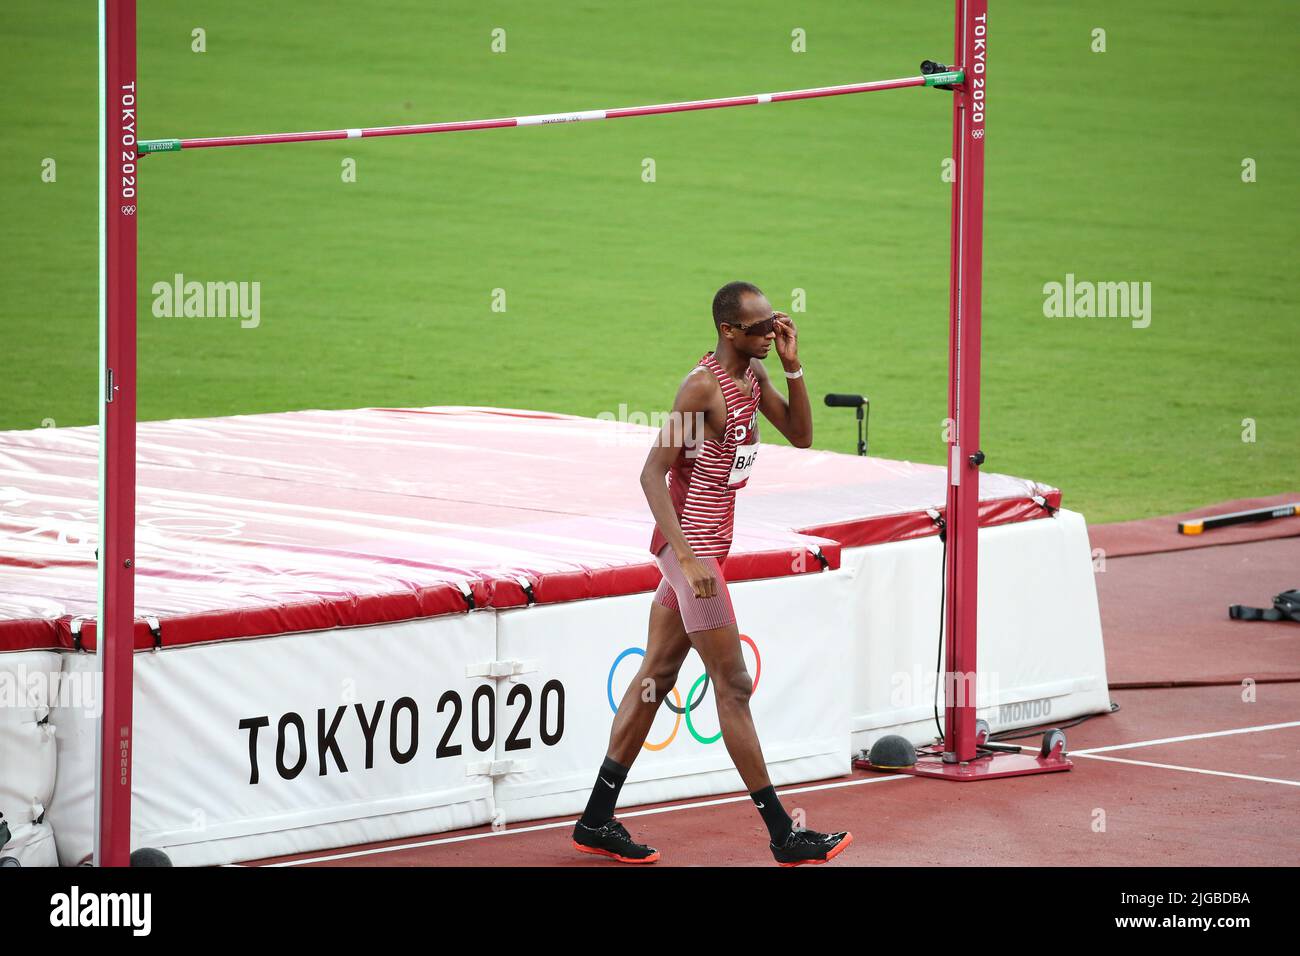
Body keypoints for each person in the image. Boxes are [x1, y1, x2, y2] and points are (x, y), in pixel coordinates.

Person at [571, 280, 853, 866]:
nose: (772, 339)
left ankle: (597, 817)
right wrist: (689, 560)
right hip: (693, 552)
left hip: (709, 550)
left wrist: (796, 368)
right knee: (734, 685)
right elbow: (652, 473)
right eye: (761, 331)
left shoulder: (755, 377)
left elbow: (800, 435)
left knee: (657, 674)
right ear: (728, 331)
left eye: (775, 328)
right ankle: (783, 833)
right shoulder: (702, 387)